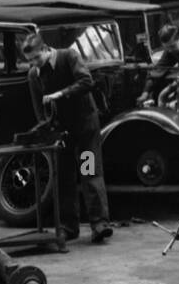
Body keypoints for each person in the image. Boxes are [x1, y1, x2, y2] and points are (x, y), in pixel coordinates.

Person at [22, 32, 112, 244]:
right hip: (62, 132)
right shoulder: (33, 75)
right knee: (64, 177)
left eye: (36, 58)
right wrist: (46, 131)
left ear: (45, 49)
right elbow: (40, 110)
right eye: (29, 61)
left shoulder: (68, 57)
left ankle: (99, 224)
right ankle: (68, 227)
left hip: (85, 128)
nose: (34, 64)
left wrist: (60, 94)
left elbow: (86, 81)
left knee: (89, 171)